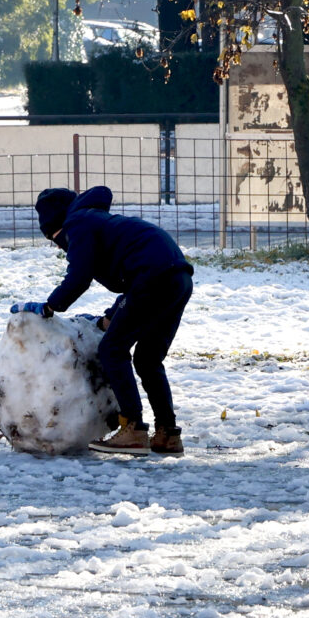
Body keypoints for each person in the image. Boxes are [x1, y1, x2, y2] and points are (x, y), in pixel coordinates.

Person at [17, 185, 192, 455]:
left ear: (57, 225)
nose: (61, 247)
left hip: (152, 277)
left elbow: (79, 277)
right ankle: (167, 434)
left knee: (112, 350)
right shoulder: (96, 220)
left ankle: (132, 429)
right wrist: (110, 318)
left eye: (55, 239)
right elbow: (131, 276)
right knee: (147, 359)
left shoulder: (78, 223)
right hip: (176, 278)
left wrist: (50, 306)